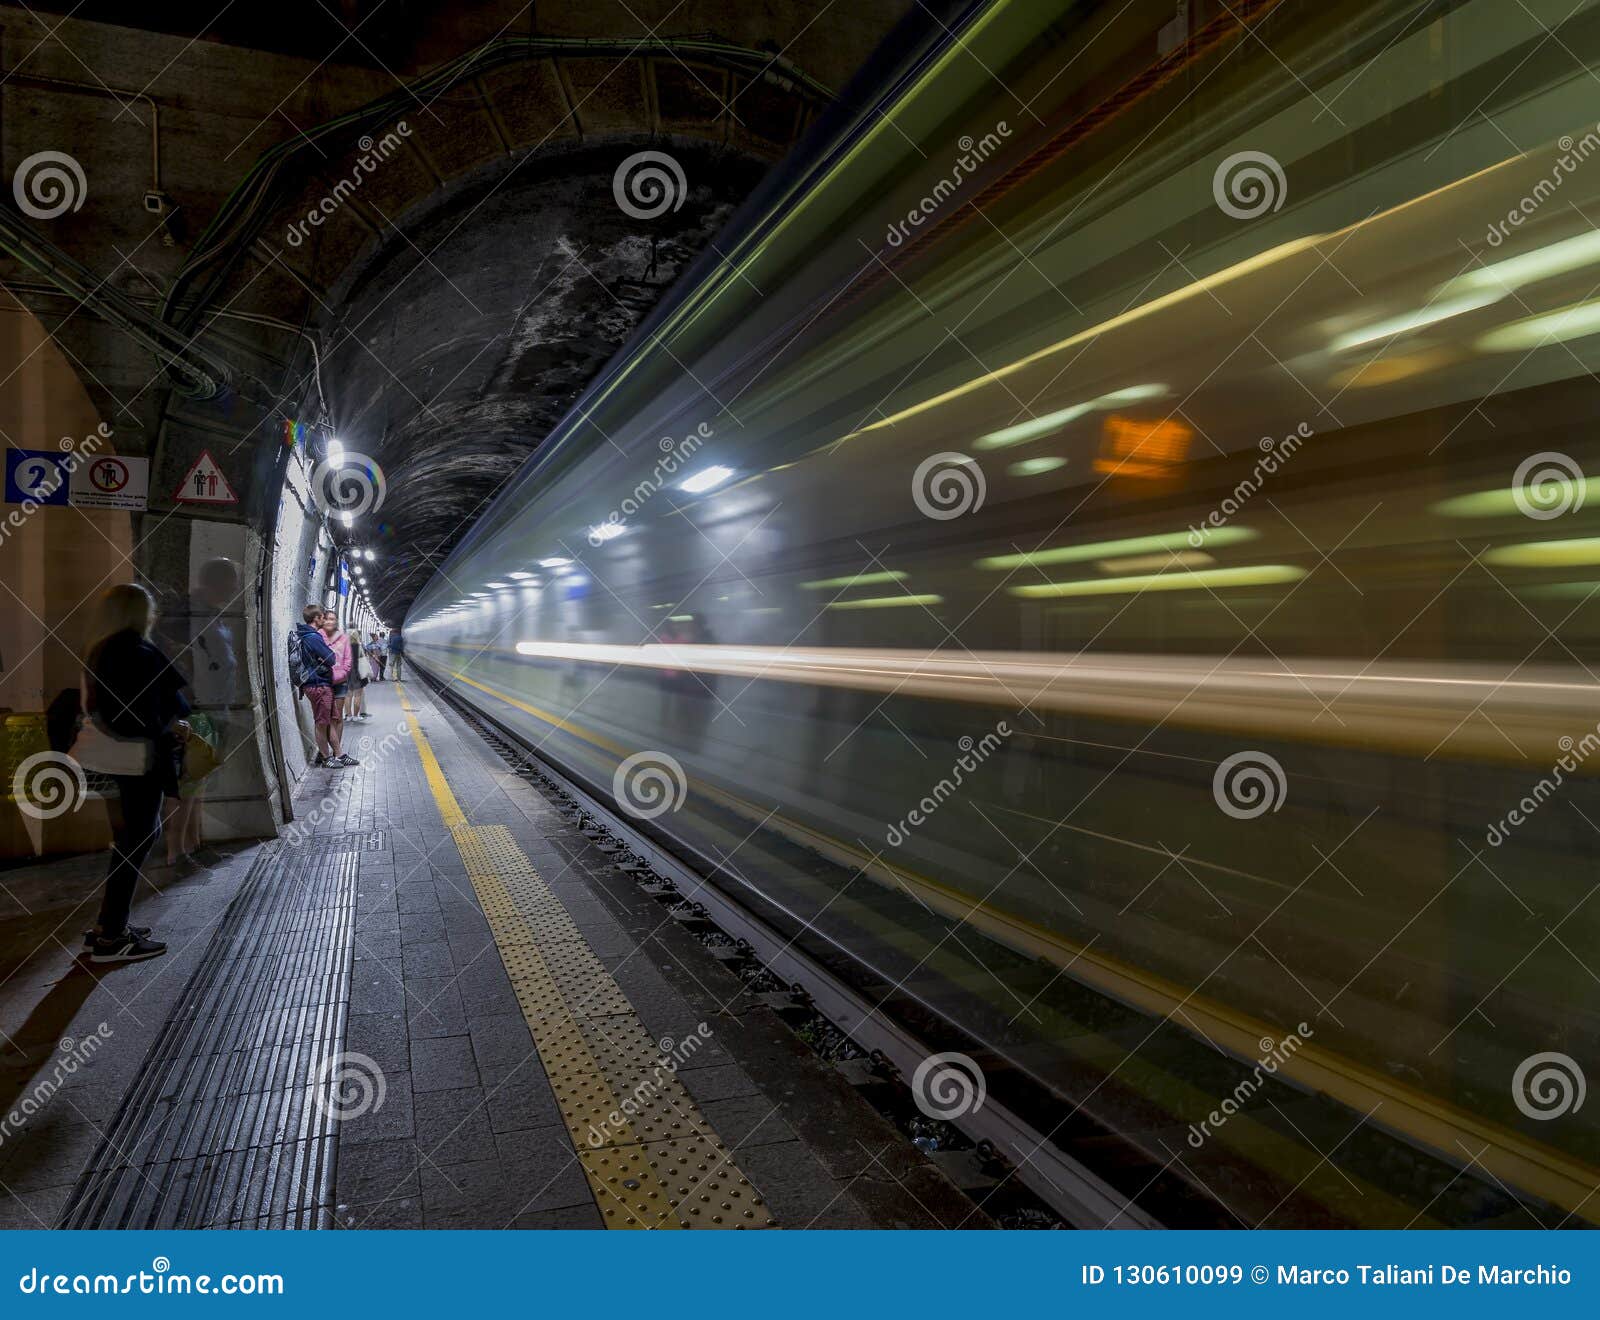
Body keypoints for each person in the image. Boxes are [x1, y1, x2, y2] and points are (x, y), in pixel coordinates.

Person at [82, 583, 188, 963]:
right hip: (139, 757)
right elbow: (171, 702)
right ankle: (112, 937)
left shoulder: (100, 650)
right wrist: (173, 729)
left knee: (128, 839)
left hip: (110, 758)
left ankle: (108, 925)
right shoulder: (139, 651)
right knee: (139, 838)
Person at [295, 603, 339, 767]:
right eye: (322, 617)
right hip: (318, 685)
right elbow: (331, 658)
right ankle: (327, 758)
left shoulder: (307, 635)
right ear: (316, 618)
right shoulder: (313, 637)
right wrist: (327, 656)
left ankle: (337, 755)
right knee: (321, 723)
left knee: (327, 720)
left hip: (316, 683)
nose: (325, 619)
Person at [321, 610, 360, 765]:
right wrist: (329, 677)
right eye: (328, 619)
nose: (331, 621)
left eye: (333, 619)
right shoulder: (319, 637)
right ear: (323, 620)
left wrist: (339, 676)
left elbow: (348, 661)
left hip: (340, 682)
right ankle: (330, 752)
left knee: (337, 718)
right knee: (327, 719)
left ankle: (337, 753)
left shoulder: (344, 638)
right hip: (324, 682)